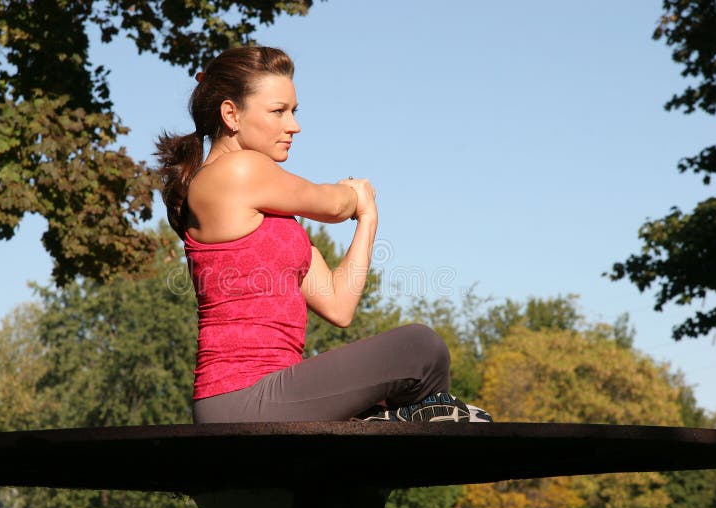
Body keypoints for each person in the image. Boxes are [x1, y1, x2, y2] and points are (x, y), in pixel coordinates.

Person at [155, 46, 491, 424]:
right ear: (231, 114)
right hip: (241, 396)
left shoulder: (277, 220)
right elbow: (333, 206)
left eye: (294, 112)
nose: (293, 126)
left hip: (276, 394)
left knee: (422, 372)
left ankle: (397, 422)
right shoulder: (235, 171)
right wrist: (356, 193)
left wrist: (368, 219)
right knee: (421, 347)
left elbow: (338, 304)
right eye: (278, 111)